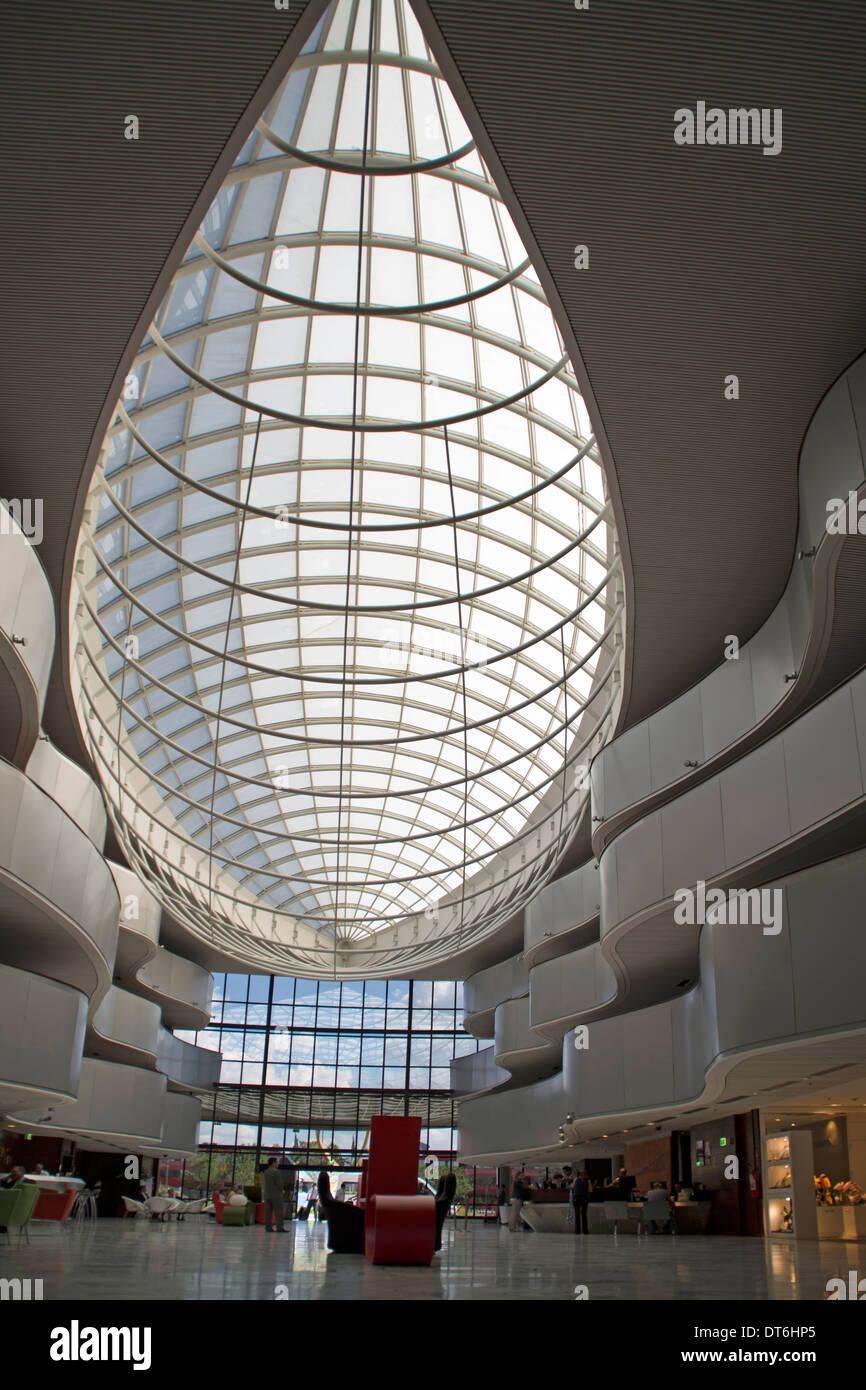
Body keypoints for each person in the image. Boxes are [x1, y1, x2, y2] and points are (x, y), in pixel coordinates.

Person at [262, 1157, 285, 1232]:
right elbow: (279, 1183)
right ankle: (279, 1227)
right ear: (273, 1163)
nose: (278, 1164)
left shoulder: (266, 1172)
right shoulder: (276, 1172)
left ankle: (268, 1227)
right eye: (277, 1162)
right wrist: (282, 1190)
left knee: (268, 1212)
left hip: (268, 1194)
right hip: (276, 1194)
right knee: (279, 1211)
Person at [571, 1169, 590, 1234]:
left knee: (577, 1214)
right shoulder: (588, 1180)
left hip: (576, 1198)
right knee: (584, 1215)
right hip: (584, 1198)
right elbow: (590, 1190)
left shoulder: (576, 1179)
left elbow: (572, 1187)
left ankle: (577, 1230)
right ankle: (585, 1230)